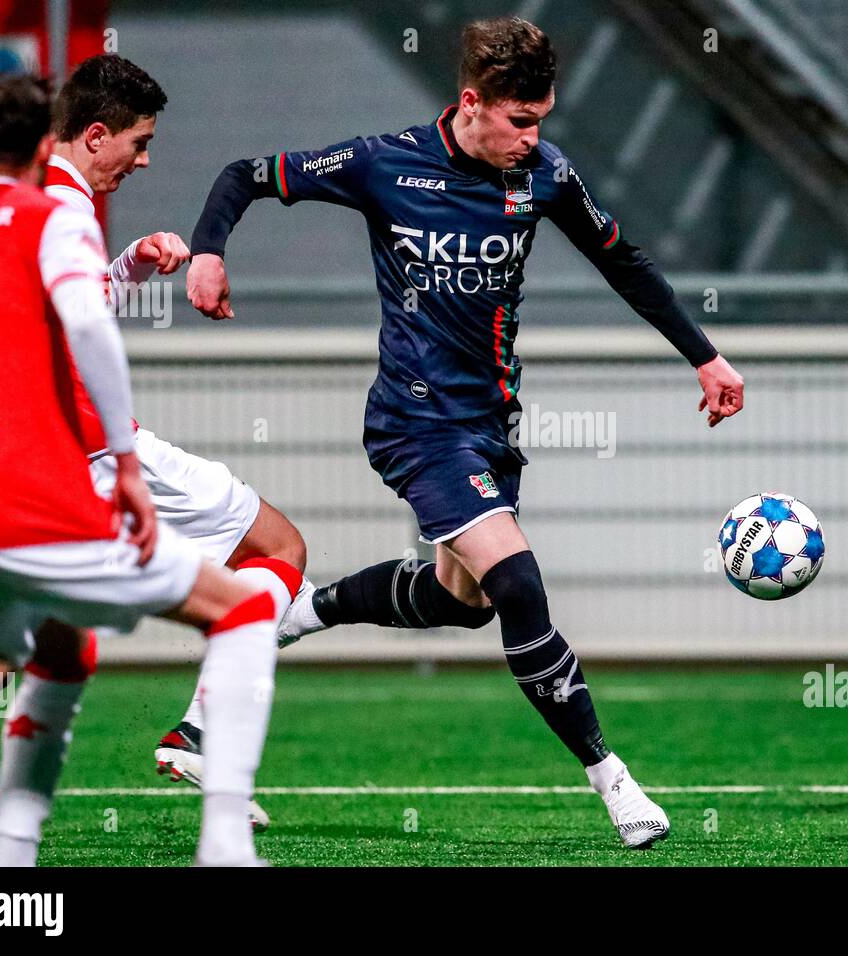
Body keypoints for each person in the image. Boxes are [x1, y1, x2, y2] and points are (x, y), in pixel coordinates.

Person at [188, 16, 744, 848]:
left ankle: (300, 615)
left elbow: (624, 263)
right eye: (521, 121)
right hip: (415, 423)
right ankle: (613, 780)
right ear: (471, 103)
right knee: (518, 581)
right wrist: (207, 252)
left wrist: (705, 357)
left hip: (489, 426)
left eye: (543, 120)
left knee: (466, 602)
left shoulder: (545, 176)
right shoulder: (383, 163)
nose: (534, 138)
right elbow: (248, 174)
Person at [0, 57, 321, 830]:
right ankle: (208, 763)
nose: (144, 159)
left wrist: (127, 265)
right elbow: (84, 332)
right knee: (276, 547)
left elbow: (44, 317)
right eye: (137, 143)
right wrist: (124, 462)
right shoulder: (54, 205)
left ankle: (19, 863)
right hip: (89, 454)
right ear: (86, 136)